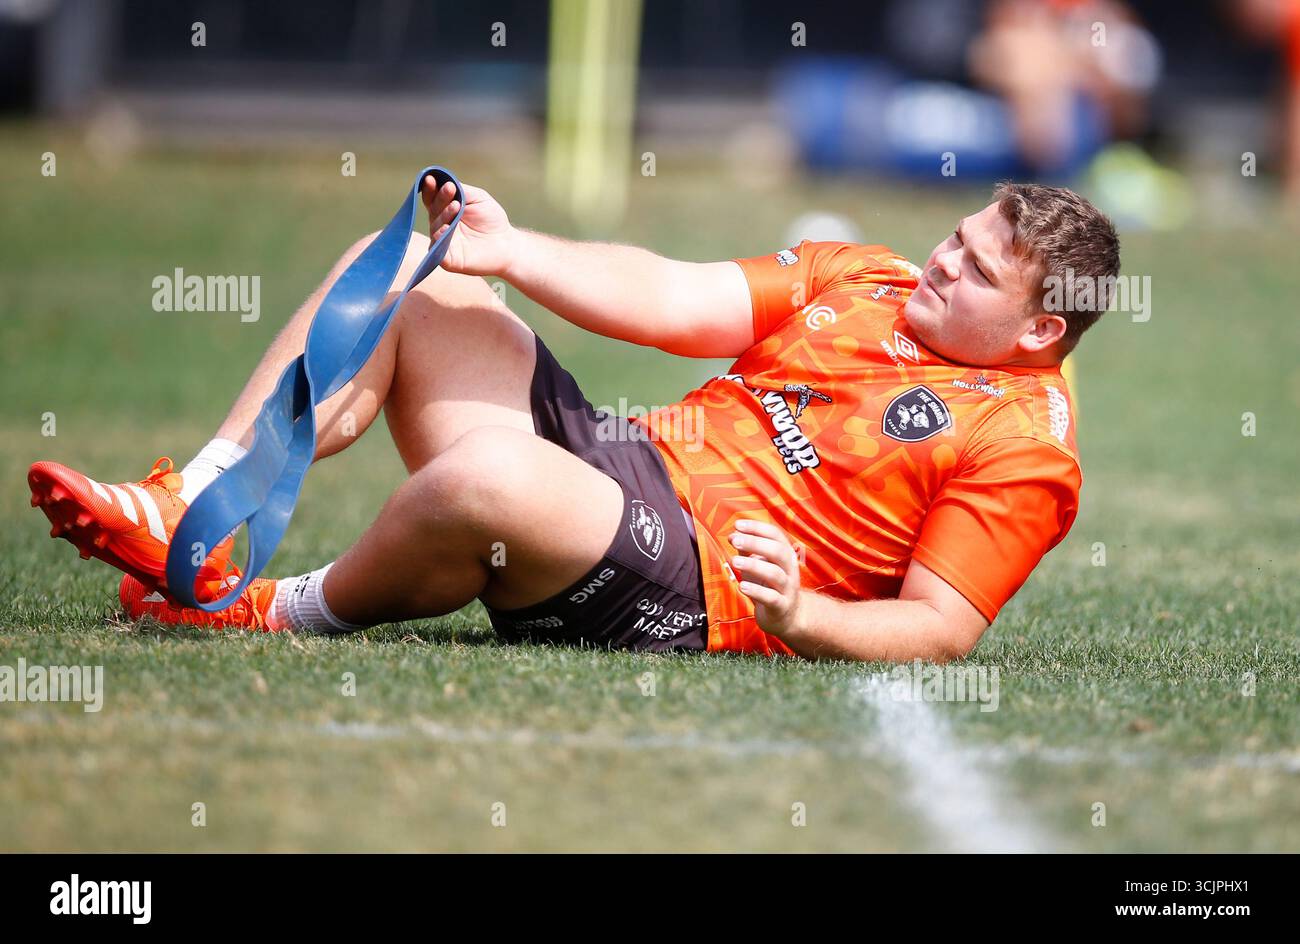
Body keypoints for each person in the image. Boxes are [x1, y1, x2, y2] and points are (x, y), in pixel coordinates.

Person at [28, 176, 1119, 662]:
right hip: (619, 465)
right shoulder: (869, 274)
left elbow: (940, 626)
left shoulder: (1025, 444)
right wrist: (509, 252)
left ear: (1035, 331)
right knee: (416, 273)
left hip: (691, 575)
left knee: (490, 479)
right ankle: (194, 502)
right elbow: (671, 296)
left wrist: (807, 619)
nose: (939, 259)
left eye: (973, 269)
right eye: (955, 235)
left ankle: (269, 610)